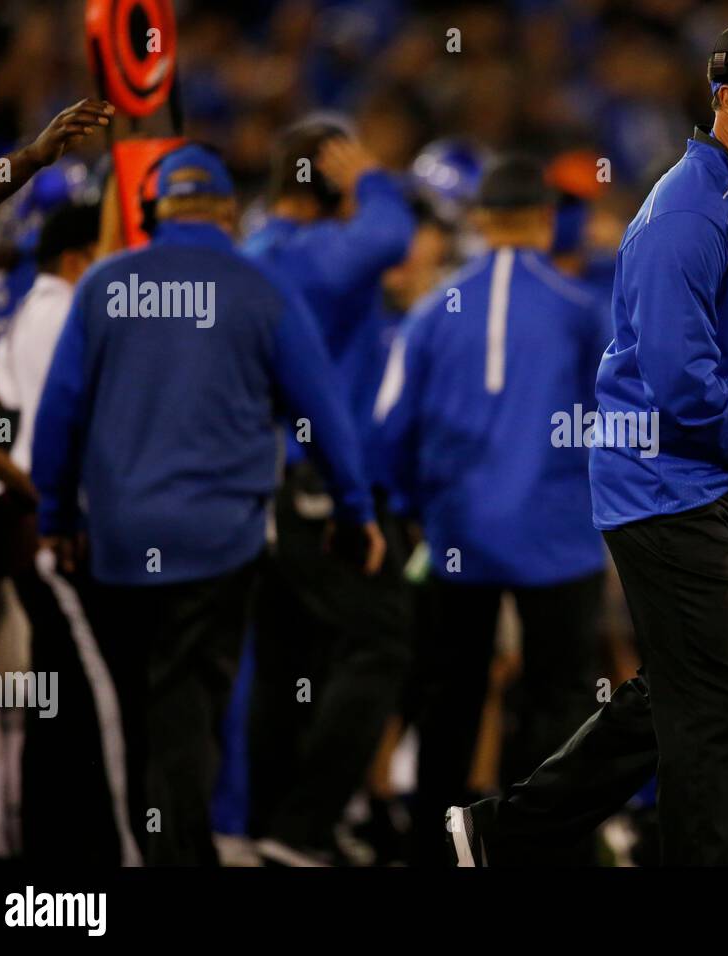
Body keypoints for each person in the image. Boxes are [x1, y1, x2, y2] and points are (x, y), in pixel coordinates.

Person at [446, 18, 728, 867]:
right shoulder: (685, 213)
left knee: (680, 690)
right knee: (711, 706)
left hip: (714, 479)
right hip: (666, 479)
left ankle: (502, 833)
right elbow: (678, 379)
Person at [30, 144, 383, 865]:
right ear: (226, 212)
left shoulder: (103, 285)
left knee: (132, 710)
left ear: (154, 211)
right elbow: (325, 414)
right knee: (187, 708)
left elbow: (58, 414)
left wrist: (57, 518)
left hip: (120, 540)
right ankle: (181, 853)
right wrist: (354, 511)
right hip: (217, 540)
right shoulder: (260, 289)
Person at [372, 155, 610, 866]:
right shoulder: (579, 308)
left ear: (478, 220)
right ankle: (552, 850)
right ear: (544, 220)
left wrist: (416, 507)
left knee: (449, 699)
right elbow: (622, 421)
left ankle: (435, 849)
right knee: (560, 703)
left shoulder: (432, 310)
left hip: (457, 538)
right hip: (559, 538)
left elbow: (389, 430)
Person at [0, 10, 113, 860]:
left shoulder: (4, 290)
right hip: (1, 495)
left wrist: (29, 156)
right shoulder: (47, 305)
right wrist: (29, 491)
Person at [241, 119, 416, 866]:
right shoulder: (306, 254)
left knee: (289, 661)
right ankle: (302, 828)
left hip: (263, 485)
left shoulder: (250, 250)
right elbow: (391, 237)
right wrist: (370, 180)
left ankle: (271, 826)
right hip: (316, 481)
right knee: (381, 640)